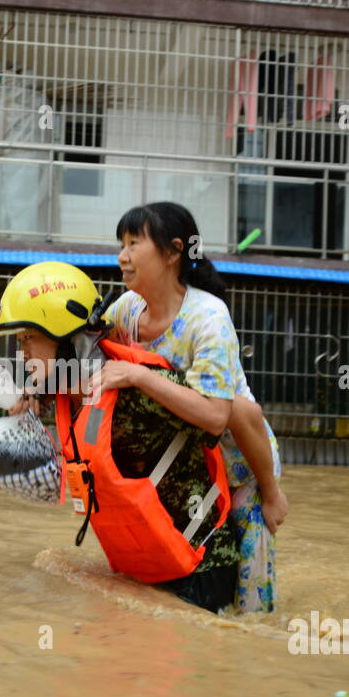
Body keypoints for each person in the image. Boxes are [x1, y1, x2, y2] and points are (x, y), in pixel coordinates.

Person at [0, 260, 240, 613]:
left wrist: (269, 490)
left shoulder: (138, 385)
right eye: (19, 341)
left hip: (200, 569)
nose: (23, 353)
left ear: (66, 339)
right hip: (143, 567)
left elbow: (222, 416)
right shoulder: (64, 393)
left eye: (29, 338)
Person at [92, 201, 288, 613]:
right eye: (120, 244)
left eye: (133, 243)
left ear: (172, 251)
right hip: (189, 463)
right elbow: (83, 349)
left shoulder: (208, 318)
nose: (121, 256)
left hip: (241, 463)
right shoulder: (126, 309)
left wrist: (270, 494)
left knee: (250, 604)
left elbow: (221, 415)